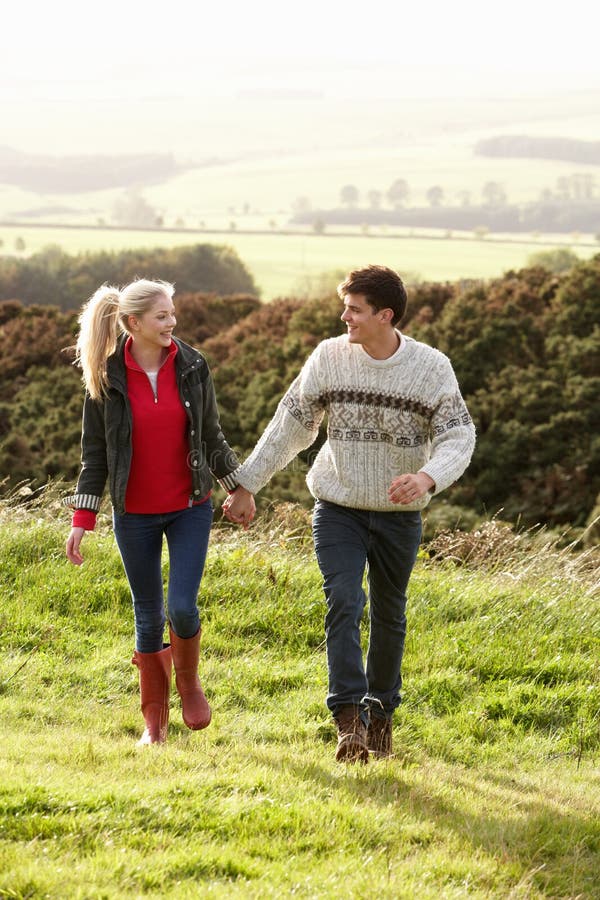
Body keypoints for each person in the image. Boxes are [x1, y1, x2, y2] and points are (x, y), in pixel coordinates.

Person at [223, 264, 476, 763]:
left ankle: (381, 717)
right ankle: (348, 721)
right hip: (338, 506)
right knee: (344, 600)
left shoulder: (431, 368)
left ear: (385, 315)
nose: (345, 317)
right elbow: (289, 427)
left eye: (355, 310)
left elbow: (459, 435)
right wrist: (245, 484)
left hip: (399, 516)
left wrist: (427, 477)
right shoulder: (329, 358)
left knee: (389, 614)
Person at [64, 278, 249, 746]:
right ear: (133, 323)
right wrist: (82, 521)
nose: (173, 322)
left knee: (182, 608)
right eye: (162, 316)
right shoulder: (105, 376)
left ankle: (188, 682)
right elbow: (95, 456)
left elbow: (211, 436)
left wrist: (239, 488)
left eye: (172, 313)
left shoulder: (192, 366)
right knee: (148, 616)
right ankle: (155, 723)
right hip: (134, 515)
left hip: (189, 507)